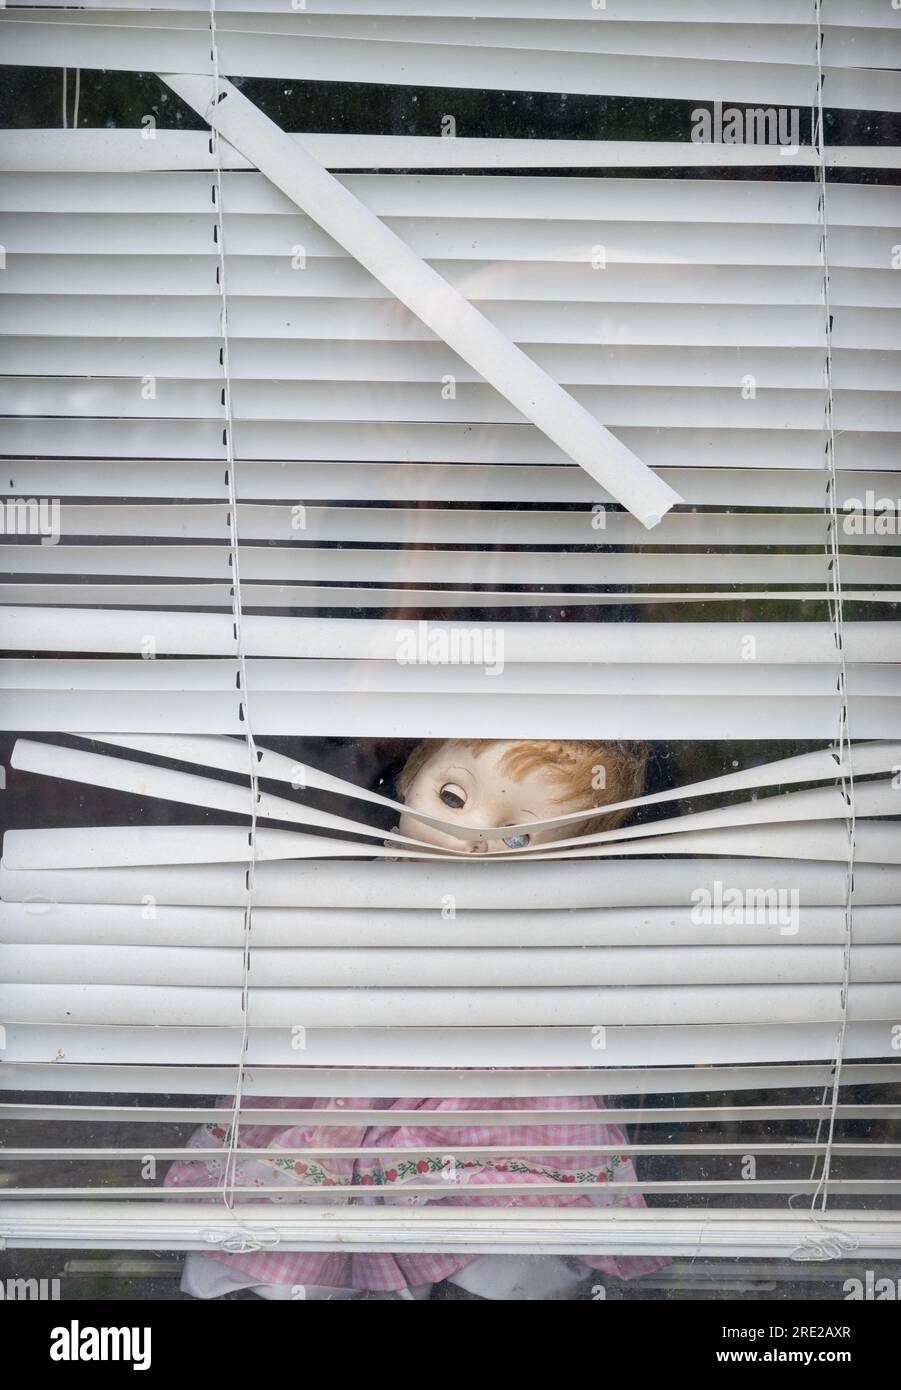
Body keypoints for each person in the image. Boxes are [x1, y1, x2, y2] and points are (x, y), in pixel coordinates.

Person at [167, 739, 668, 1299]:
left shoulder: (536, 934)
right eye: (453, 797)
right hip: (346, 1086)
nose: (475, 838)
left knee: (490, 1226)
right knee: (295, 1217)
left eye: (520, 836)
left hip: (479, 1101)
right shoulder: (353, 895)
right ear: (408, 778)